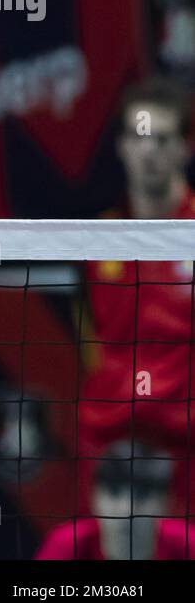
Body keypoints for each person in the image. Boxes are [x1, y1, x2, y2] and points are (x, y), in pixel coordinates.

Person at [79, 77, 195, 519]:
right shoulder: (96, 241)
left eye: (163, 139)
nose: (150, 152)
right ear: (123, 147)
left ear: (185, 147)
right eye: (140, 138)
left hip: (186, 455)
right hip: (109, 450)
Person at [38, 441, 193, 559]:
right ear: (94, 498)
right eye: (114, 493)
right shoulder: (67, 544)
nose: (127, 511)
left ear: (166, 503)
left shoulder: (188, 544)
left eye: (143, 495)